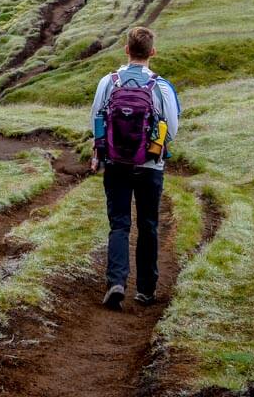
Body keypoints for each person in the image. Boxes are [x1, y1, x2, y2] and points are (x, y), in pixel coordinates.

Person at [89, 26, 180, 309]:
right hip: (150, 165)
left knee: (119, 224)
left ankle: (116, 282)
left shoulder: (108, 82)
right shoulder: (161, 87)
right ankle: (146, 290)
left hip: (115, 163)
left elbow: (96, 120)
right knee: (148, 225)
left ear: (126, 50)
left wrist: (102, 151)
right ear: (153, 52)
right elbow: (171, 130)